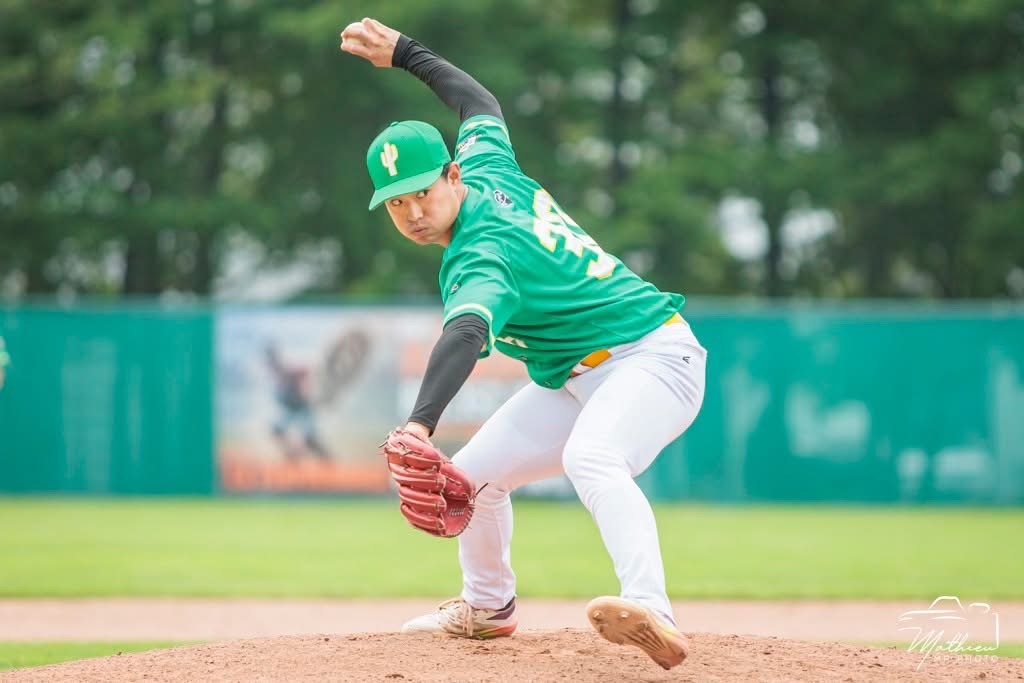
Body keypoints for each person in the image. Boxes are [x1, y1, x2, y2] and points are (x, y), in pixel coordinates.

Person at [340, 18, 707, 670]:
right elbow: (479, 104)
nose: (413, 213)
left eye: (421, 192)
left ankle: (653, 609)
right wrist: (406, 54)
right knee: (470, 482)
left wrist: (421, 424)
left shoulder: (481, 254)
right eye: (396, 205)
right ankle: (487, 607)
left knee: (593, 455)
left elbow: (466, 332)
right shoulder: (487, 164)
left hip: (654, 356)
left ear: (451, 176)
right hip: (577, 375)